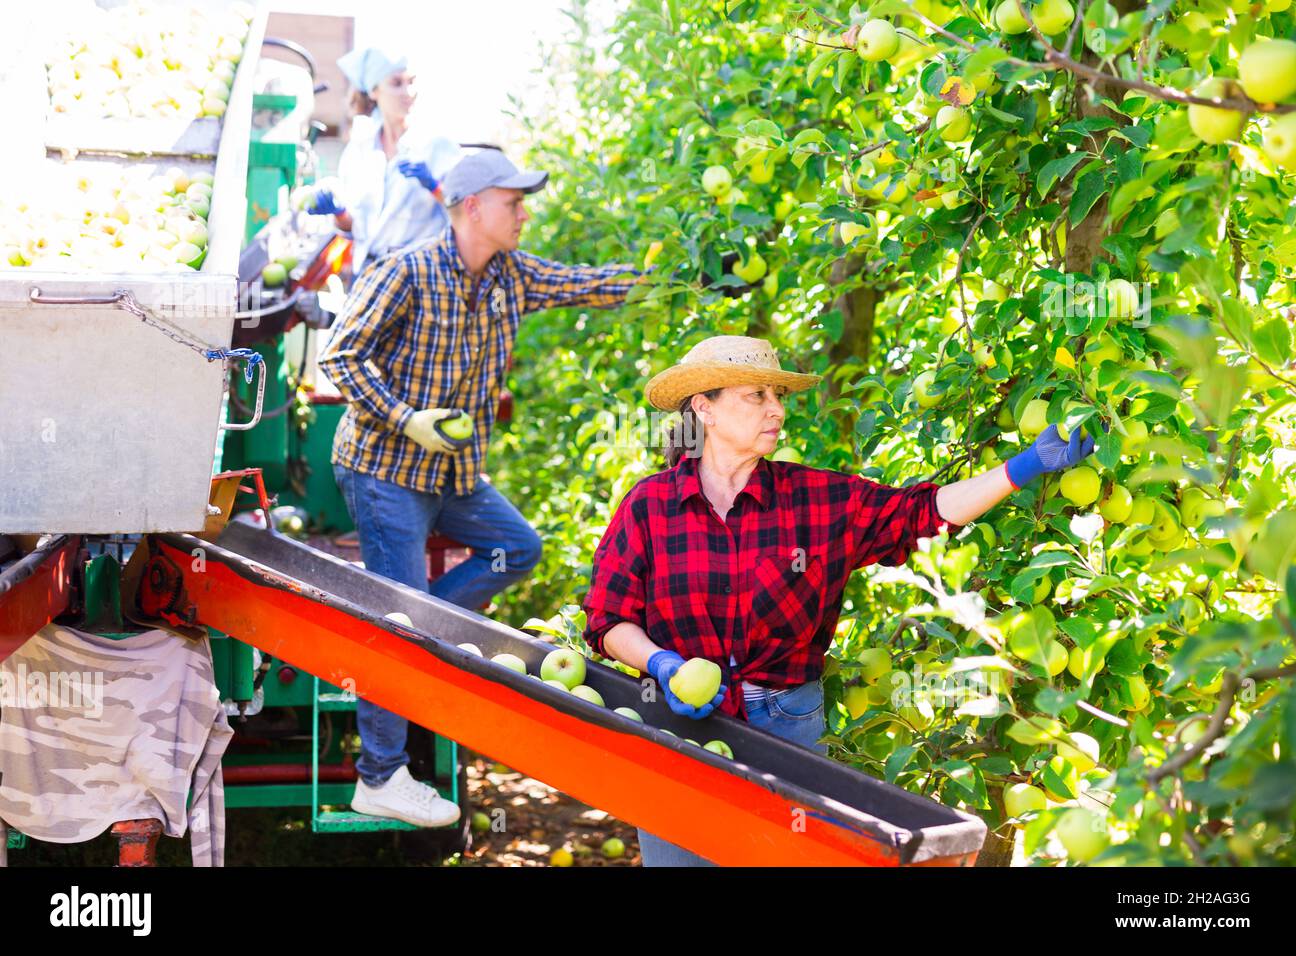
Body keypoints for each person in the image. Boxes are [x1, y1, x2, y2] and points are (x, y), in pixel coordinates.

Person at [581, 335, 1098, 866]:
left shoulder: (818, 499)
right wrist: (662, 665)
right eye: (757, 395)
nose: (777, 409)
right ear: (703, 407)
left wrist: (1024, 466)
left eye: (779, 395)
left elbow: (921, 513)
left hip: (786, 725)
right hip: (679, 724)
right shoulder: (651, 506)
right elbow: (608, 617)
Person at [318, 149, 642, 827]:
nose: (524, 214)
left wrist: (679, 280)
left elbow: (590, 284)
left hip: (453, 475)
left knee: (516, 550)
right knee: (399, 620)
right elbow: (341, 354)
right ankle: (378, 775)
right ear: (472, 209)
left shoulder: (511, 276)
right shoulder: (407, 271)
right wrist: (409, 419)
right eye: (512, 202)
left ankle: (422, 631)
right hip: (386, 469)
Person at [306, 46, 461, 271]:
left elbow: (466, 212)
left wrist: (436, 187)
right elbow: (356, 228)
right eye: (397, 83)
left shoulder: (437, 146)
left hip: (421, 276)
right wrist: (339, 213)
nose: (408, 92)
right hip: (370, 274)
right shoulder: (359, 151)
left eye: (412, 81)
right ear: (373, 91)